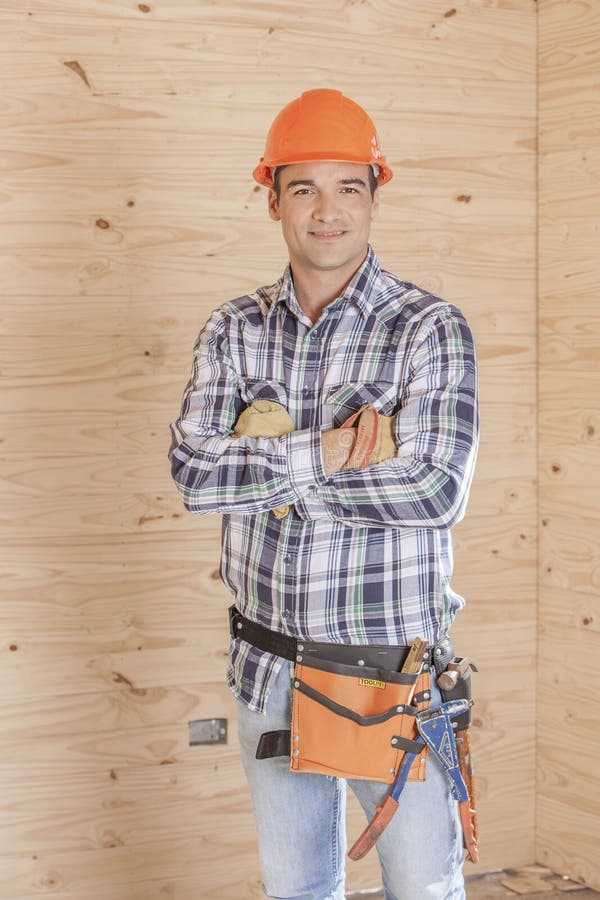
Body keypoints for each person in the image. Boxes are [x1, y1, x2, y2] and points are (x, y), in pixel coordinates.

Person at [168, 88, 479, 900]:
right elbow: (196, 476)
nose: (327, 211)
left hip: (392, 674)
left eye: (348, 187)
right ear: (273, 198)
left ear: (376, 194)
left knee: (423, 889)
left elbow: (434, 488)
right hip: (266, 667)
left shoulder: (427, 328)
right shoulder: (235, 329)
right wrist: (339, 451)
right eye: (304, 188)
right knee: (297, 891)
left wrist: (273, 476)